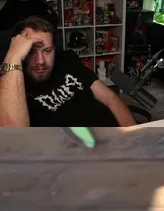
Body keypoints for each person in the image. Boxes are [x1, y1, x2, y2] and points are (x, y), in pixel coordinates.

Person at [0, 15, 136, 127]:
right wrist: (13, 56)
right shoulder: (10, 86)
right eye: (31, 51)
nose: (40, 61)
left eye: (47, 51)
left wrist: (133, 134)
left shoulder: (68, 61)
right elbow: (14, 137)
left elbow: (109, 97)